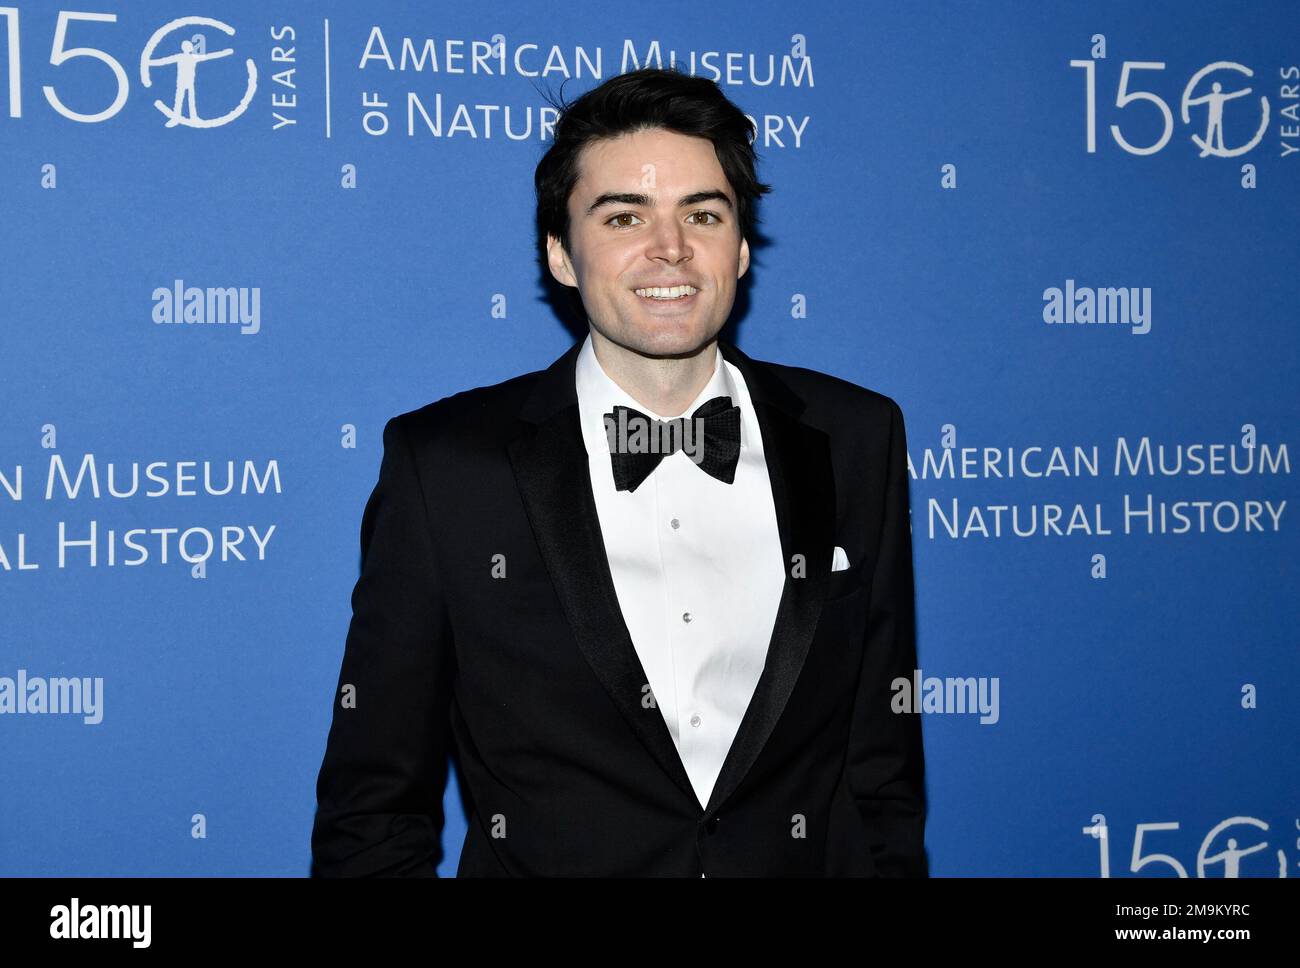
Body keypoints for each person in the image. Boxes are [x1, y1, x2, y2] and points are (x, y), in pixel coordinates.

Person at [310, 66, 927, 877]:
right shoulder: (448, 467)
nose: (669, 248)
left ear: (741, 247)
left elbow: (881, 768)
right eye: (624, 216)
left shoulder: (856, 436)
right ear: (561, 256)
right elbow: (374, 805)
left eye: (702, 214)